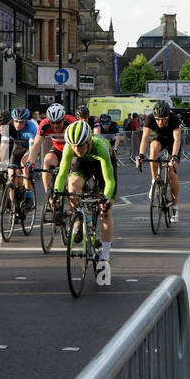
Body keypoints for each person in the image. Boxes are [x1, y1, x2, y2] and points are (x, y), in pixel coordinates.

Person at [52, 119, 118, 281]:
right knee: (72, 186)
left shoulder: (100, 146)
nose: (77, 149)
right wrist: (56, 195)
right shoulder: (71, 147)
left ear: (89, 140)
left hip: (103, 165)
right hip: (84, 165)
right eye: (74, 146)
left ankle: (105, 255)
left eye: (80, 145)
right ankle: (80, 217)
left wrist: (107, 198)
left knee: (106, 212)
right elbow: (61, 174)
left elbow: (109, 181)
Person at [136, 100, 182, 222]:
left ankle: (175, 207)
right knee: (153, 149)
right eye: (158, 119)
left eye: (163, 119)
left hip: (173, 142)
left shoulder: (174, 119)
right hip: (160, 139)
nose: (160, 122)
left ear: (168, 117)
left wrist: (174, 157)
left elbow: (177, 139)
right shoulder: (150, 119)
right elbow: (145, 139)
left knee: (172, 172)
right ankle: (154, 180)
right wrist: (140, 155)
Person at [25, 103, 77, 179]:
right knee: (47, 163)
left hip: (73, 149)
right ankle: (48, 190)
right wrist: (31, 163)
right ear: (49, 121)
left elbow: (77, 145)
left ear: (63, 119)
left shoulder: (71, 123)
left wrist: (72, 164)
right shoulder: (44, 125)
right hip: (58, 148)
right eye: (52, 123)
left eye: (58, 122)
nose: (55, 125)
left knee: (71, 177)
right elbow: (36, 145)